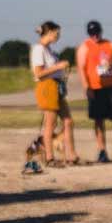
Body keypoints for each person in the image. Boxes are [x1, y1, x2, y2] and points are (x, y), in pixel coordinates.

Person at [77, 20, 112, 163]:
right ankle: (102, 151)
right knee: (98, 120)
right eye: (92, 33)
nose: (95, 36)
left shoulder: (110, 45)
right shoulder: (84, 47)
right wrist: (86, 88)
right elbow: (81, 70)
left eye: (97, 32)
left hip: (111, 88)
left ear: (101, 31)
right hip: (95, 89)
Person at [30, 21, 80, 167]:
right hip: (47, 87)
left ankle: (71, 155)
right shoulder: (38, 49)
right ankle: (49, 157)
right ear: (50, 32)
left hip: (56, 86)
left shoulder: (49, 50)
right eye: (57, 32)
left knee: (68, 121)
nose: (59, 35)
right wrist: (58, 66)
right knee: (50, 124)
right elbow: (38, 73)